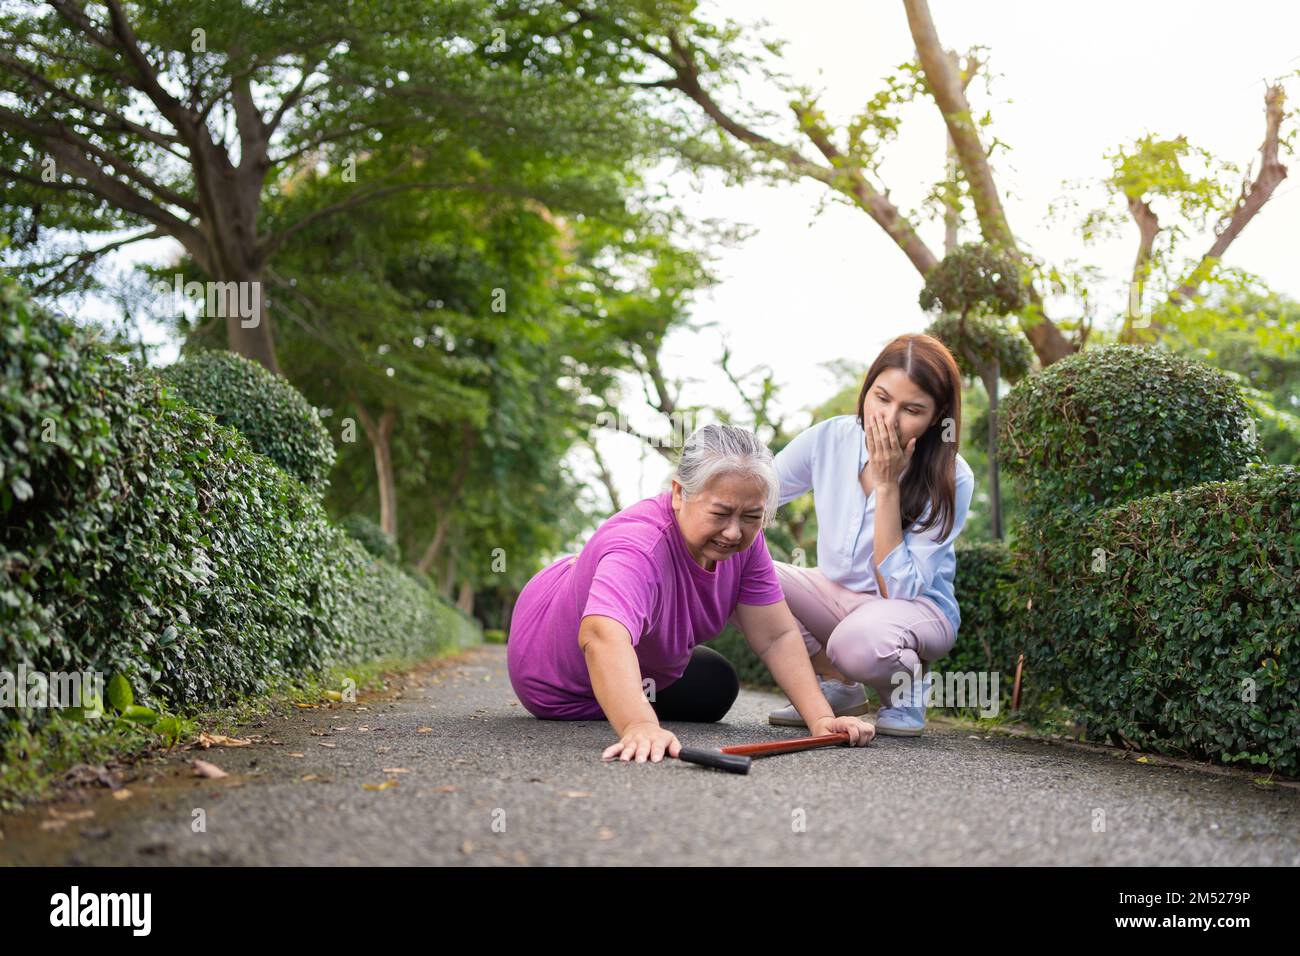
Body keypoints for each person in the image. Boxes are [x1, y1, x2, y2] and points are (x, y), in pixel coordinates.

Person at [506, 423, 875, 763]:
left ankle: (626, 694)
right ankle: (625, 701)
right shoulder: (640, 546)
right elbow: (601, 635)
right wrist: (639, 725)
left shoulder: (747, 544)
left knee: (715, 685)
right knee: (641, 693)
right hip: (552, 672)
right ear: (680, 493)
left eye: (751, 516)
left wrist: (822, 719)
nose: (734, 532)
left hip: (639, 653)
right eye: (721, 513)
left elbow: (776, 635)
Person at [767, 333, 975, 736]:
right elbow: (758, 492)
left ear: (937, 417)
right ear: (867, 388)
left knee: (857, 643)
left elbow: (899, 589)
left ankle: (906, 689)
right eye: (881, 398)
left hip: (913, 609)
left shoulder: (952, 476)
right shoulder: (830, 438)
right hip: (834, 595)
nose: (888, 419)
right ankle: (837, 686)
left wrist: (886, 486)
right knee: (740, 569)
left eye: (911, 409)